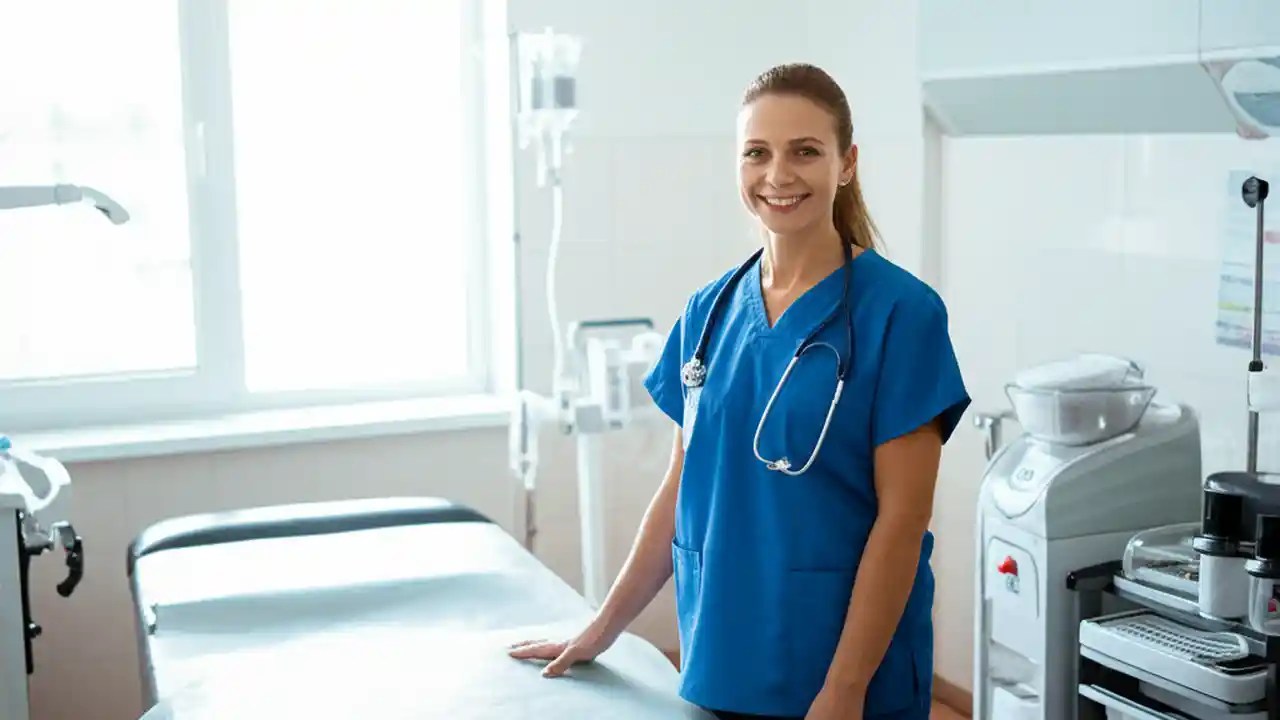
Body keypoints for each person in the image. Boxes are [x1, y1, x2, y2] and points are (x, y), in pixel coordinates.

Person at [509, 62, 970, 720]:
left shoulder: (901, 314)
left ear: (846, 164)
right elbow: (679, 491)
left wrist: (843, 692)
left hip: (843, 673)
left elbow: (902, 524)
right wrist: (602, 629)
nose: (777, 175)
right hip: (721, 657)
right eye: (757, 153)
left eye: (805, 152)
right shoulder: (709, 311)